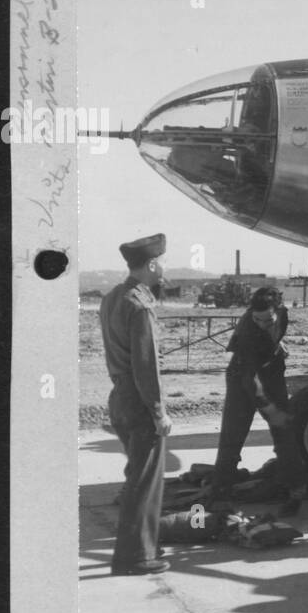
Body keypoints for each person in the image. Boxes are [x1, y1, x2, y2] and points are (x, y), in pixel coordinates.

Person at [99, 233, 172, 575]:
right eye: (162, 263)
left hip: (119, 397)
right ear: (152, 264)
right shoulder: (140, 305)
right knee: (145, 483)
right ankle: (136, 558)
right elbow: (147, 366)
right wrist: (159, 412)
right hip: (139, 401)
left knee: (136, 477)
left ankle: (144, 546)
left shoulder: (113, 297)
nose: (164, 269)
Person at [207, 286, 308, 518]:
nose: (262, 323)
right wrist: (270, 408)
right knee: (232, 436)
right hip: (243, 377)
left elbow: (274, 331)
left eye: (267, 320)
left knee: (285, 434)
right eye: (257, 319)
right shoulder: (246, 331)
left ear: (278, 310)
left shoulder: (283, 314)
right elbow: (251, 380)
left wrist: (275, 344)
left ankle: (296, 491)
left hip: (272, 371)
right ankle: (219, 496)